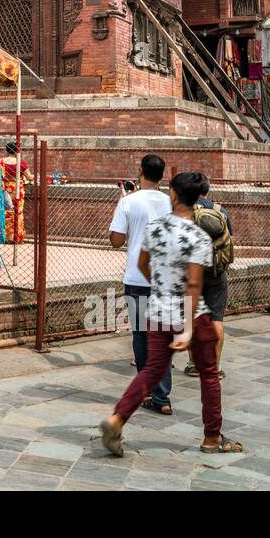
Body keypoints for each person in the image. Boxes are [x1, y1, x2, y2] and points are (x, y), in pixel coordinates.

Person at [100, 172, 240, 457]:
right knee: (209, 374)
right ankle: (212, 437)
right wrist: (187, 328)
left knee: (152, 370)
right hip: (191, 314)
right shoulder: (198, 236)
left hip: (158, 310)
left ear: (173, 195)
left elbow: (142, 264)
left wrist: (161, 286)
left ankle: (117, 418)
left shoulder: (155, 227)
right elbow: (193, 284)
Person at [109, 154, 174, 415]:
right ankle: (162, 395)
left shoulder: (128, 202)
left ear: (140, 171)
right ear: (162, 175)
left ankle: (147, 388)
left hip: (137, 277)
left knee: (140, 334)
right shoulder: (173, 203)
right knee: (163, 336)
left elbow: (116, 240)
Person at [185, 179, 233, 379]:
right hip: (216, 271)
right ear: (207, 189)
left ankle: (194, 363)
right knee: (216, 320)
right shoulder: (221, 211)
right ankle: (214, 366)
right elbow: (229, 240)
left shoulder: (184, 212)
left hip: (190, 272)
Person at [0, 141, 33, 244]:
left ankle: (4, 236)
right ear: (17, 150)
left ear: (7, 150)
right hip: (17, 189)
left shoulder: (1, 162)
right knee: (18, 212)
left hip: (5, 188)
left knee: (5, 211)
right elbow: (29, 177)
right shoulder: (21, 162)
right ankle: (16, 237)